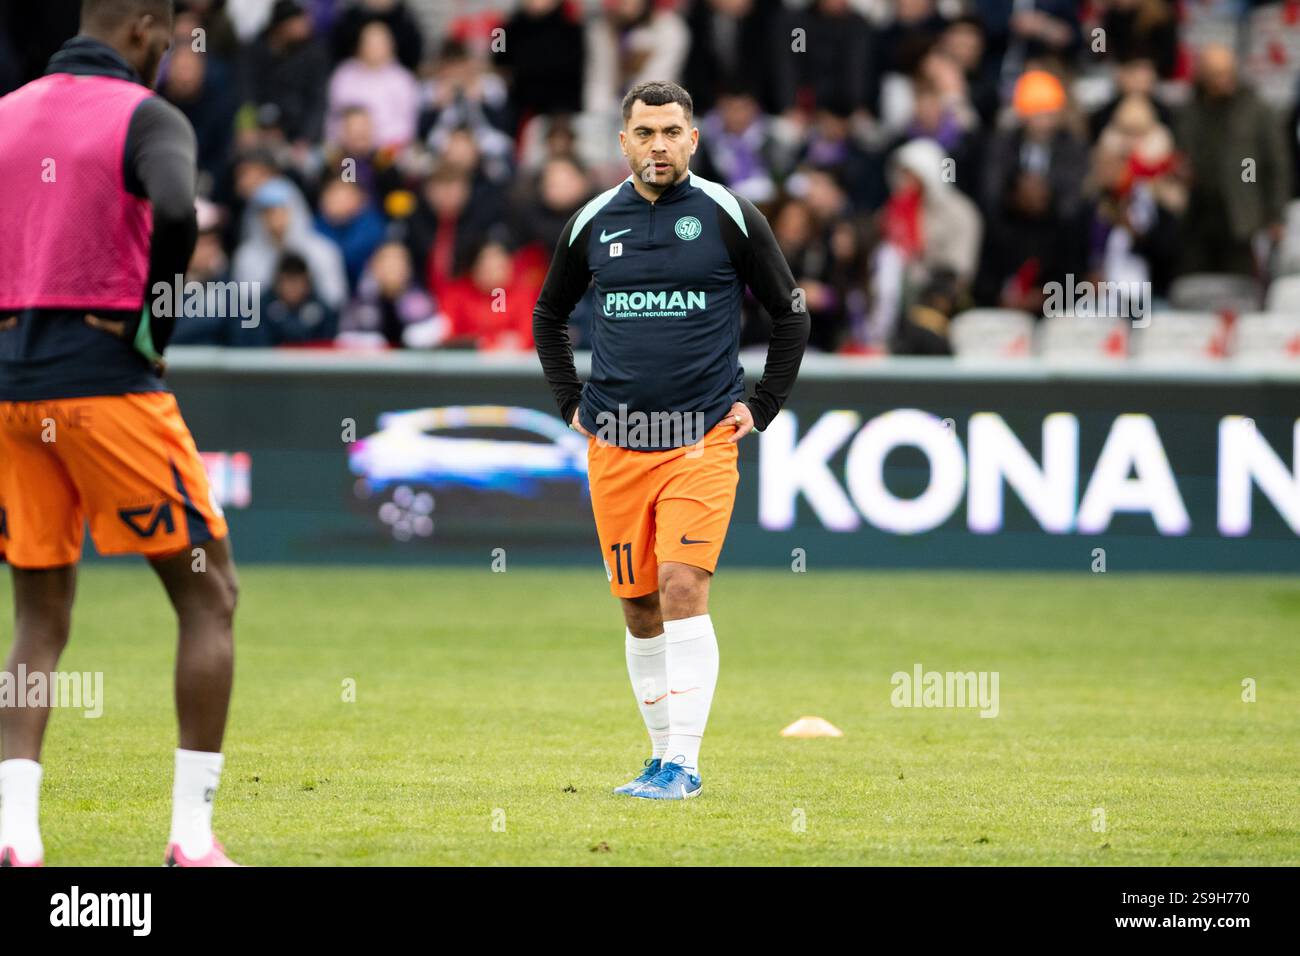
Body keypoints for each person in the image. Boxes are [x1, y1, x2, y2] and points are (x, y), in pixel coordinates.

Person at [0, 0, 239, 867]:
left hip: (10, 391)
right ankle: (191, 836)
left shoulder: (7, 113)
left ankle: (15, 838)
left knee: (38, 616)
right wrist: (155, 329)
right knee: (209, 597)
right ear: (142, 27)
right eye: (171, 36)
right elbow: (178, 210)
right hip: (103, 383)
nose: (172, 51)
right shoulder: (149, 116)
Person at [532, 80, 809, 800]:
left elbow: (791, 314)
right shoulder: (592, 220)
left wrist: (764, 404)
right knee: (638, 607)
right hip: (616, 445)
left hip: (700, 440)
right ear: (622, 141)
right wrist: (570, 402)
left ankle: (684, 765)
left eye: (672, 131)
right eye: (646, 132)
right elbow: (547, 314)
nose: (660, 144)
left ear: (694, 138)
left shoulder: (726, 215)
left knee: (681, 586)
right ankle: (659, 759)